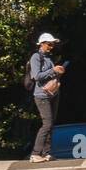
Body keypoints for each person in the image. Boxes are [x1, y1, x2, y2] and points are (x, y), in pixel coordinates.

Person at [29, 32, 66, 162]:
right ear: (42, 44)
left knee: (50, 124)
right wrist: (53, 70)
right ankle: (35, 153)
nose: (51, 47)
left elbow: (50, 75)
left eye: (53, 44)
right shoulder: (36, 57)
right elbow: (36, 76)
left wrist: (58, 72)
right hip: (41, 95)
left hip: (52, 93)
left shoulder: (49, 58)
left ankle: (46, 152)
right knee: (47, 123)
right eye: (49, 44)